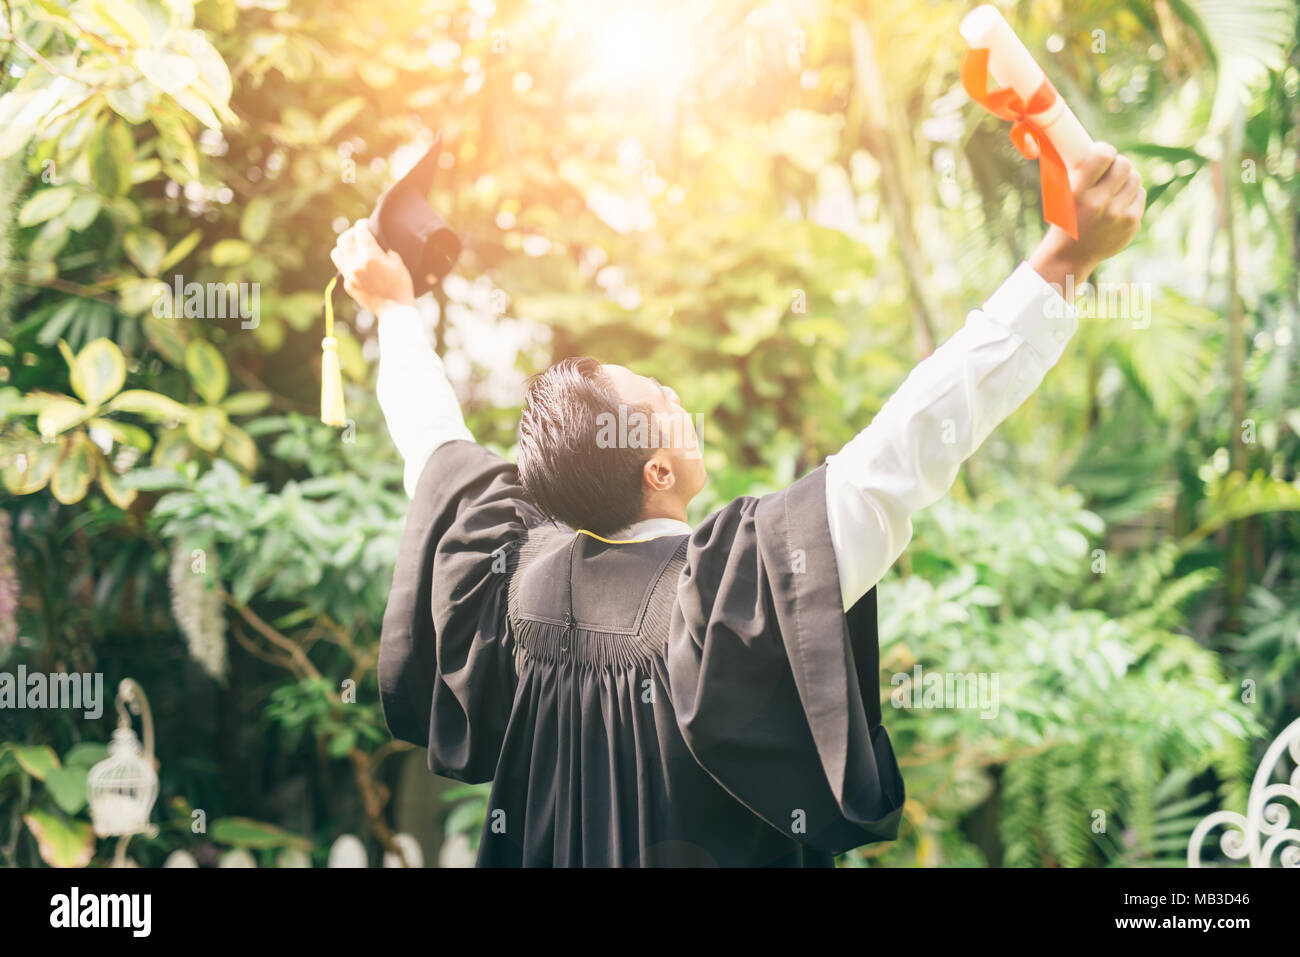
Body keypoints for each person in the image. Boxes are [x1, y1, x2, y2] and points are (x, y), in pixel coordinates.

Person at [330, 142, 1144, 867]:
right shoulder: (729, 593)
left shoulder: (512, 573)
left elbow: (433, 446)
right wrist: (1062, 261)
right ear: (655, 467)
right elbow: (907, 443)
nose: (679, 394)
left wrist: (395, 310)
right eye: (659, 396)